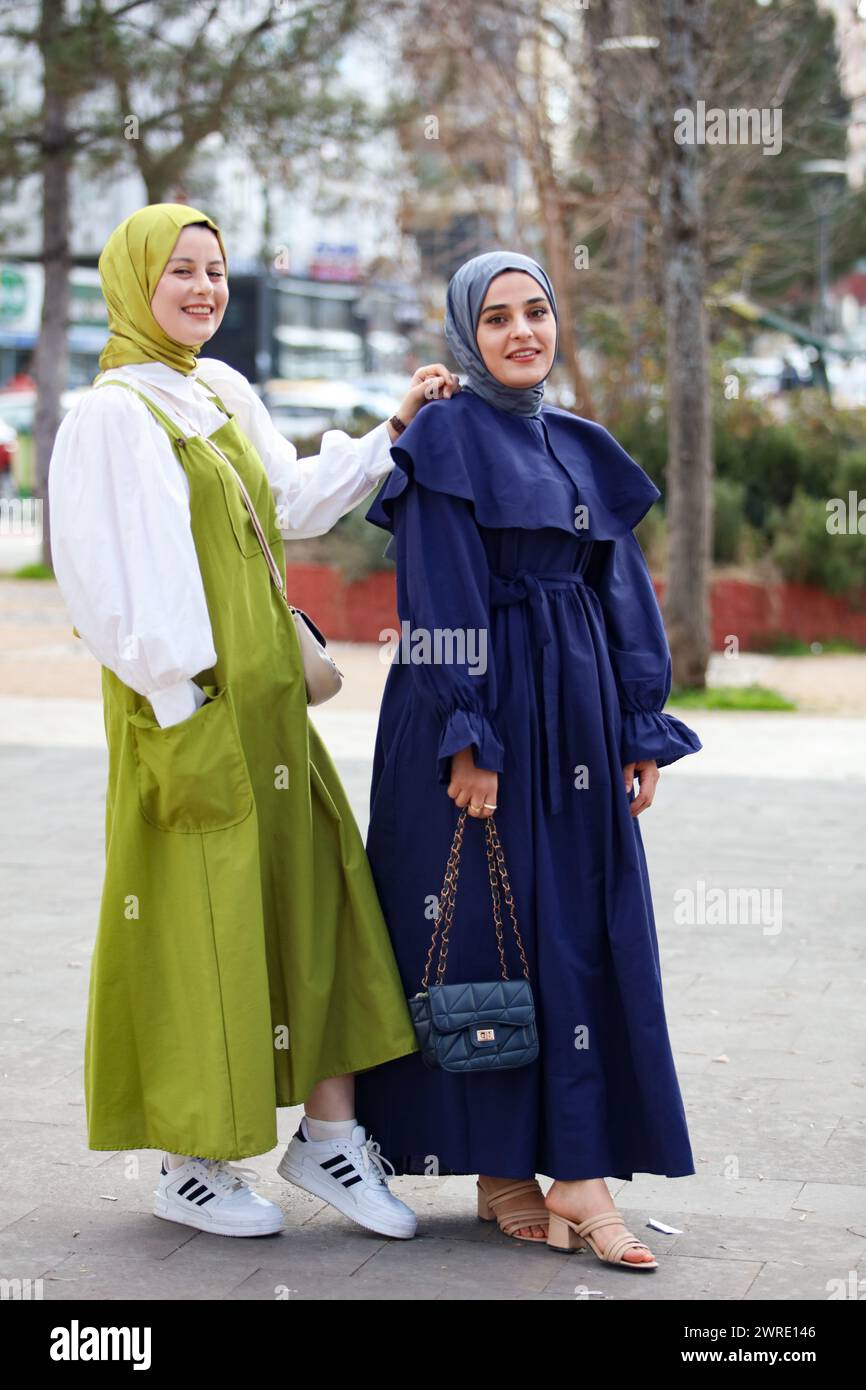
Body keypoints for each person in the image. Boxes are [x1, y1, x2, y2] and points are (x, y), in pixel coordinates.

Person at [48, 202, 460, 1240]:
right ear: (133, 280)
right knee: (197, 926)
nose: (201, 288)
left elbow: (293, 500)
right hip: (185, 714)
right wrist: (182, 706)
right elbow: (107, 585)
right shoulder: (108, 415)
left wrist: (391, 430)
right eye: (178, 270)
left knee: (318, 901)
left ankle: (327, 1140)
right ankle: (192, 1162)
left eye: (215, 271)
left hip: (272, 711)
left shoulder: (214, 389)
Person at [353, 250, 703, 1269]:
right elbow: (434, 593)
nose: (520, 332)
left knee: (574, 925)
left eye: (536, 312)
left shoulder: (576, 442)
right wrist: (467, 734)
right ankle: (525, 1172)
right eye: (497, 316)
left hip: (580, 715)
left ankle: (553, 1167)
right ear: (467, 332)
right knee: (480, 933)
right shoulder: (445, 437)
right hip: (478, 711)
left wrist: (640, 725)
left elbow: (622, 589)